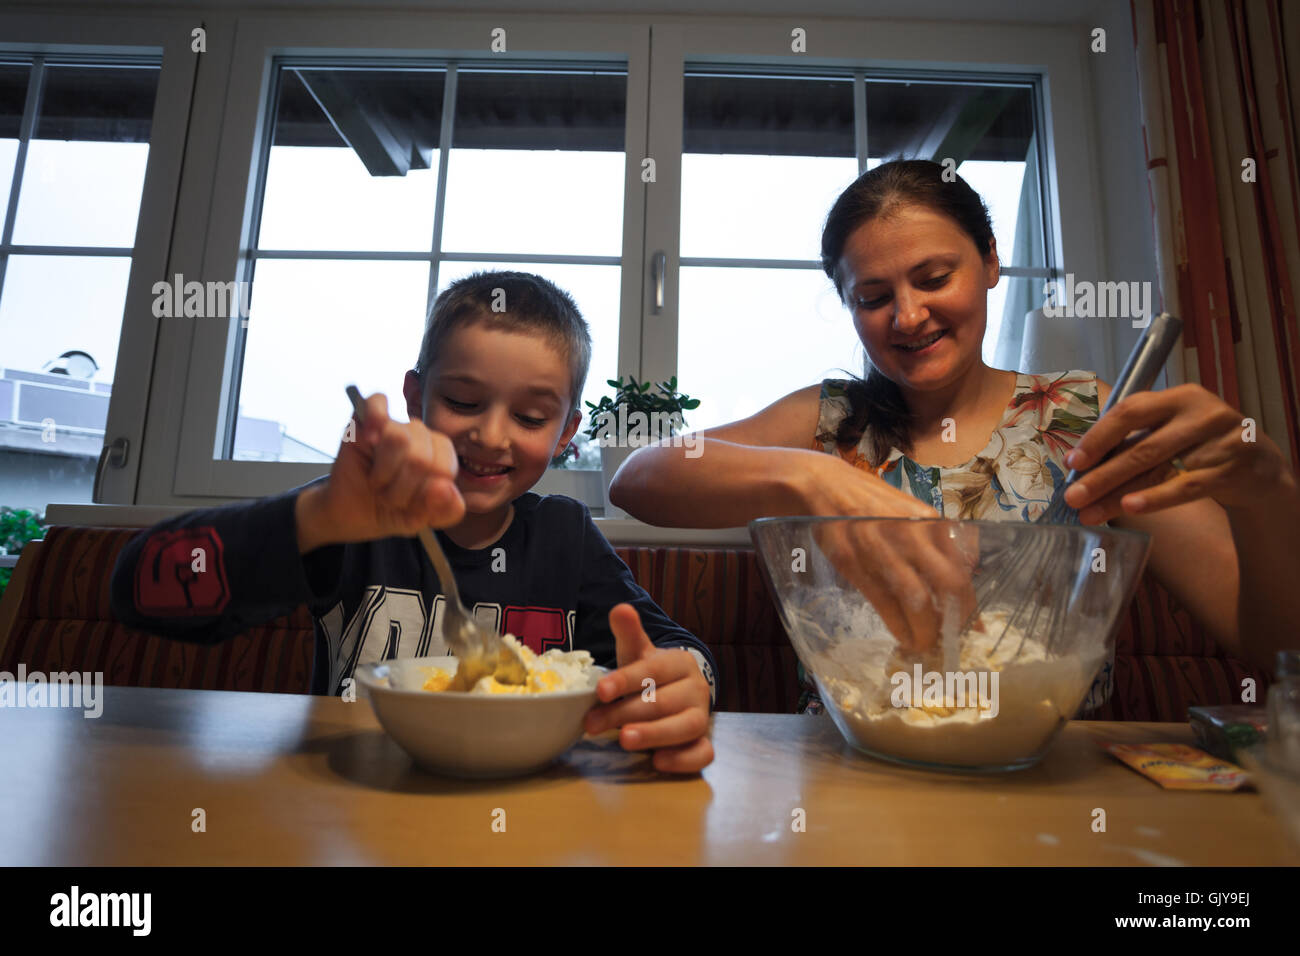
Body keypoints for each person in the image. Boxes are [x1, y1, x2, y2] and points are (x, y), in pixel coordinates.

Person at [611, 159, 1300, 714]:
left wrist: (1267, 494)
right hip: (853, 778)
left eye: (935, 278)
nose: (908, 316)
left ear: (992, 262)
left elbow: (1274, 644)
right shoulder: (832, 422)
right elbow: (639, 478)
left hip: (1044, 785)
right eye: (873, 298)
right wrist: (812, 475)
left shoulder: (1081, 421)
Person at [111, 271, 716, 773]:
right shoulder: (351, 522)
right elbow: (135, 590)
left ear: (565, 434)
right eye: (462, 402)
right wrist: (318, 519)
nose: (491, 434)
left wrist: (687, 679)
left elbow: (677, 651)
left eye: (531, 416)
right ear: (414, 397)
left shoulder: (565, 537)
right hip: (354, 802)